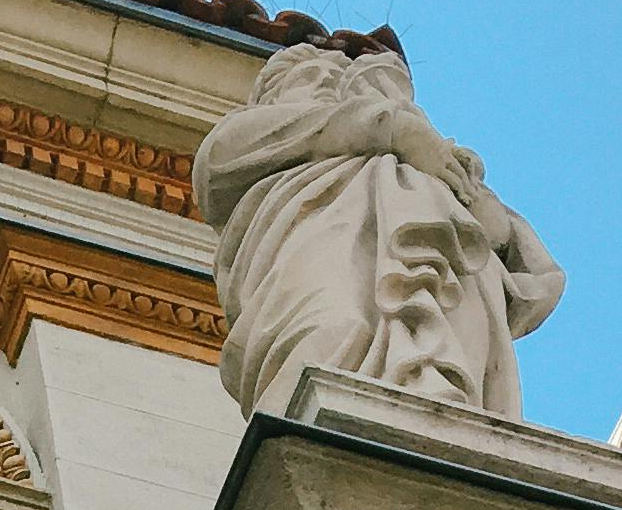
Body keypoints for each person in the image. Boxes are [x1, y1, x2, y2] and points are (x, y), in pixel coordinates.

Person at [191, 40, 562, 421]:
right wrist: (388, 127)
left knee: (456, 358)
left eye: (339, 80)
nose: (329, 86)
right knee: (332, 331)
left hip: (443, 279)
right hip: (319, 241)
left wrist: (473, 198)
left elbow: (521, 267)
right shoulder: (256, 134)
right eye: (310, 76)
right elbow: (218, 159)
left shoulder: (423, 160)